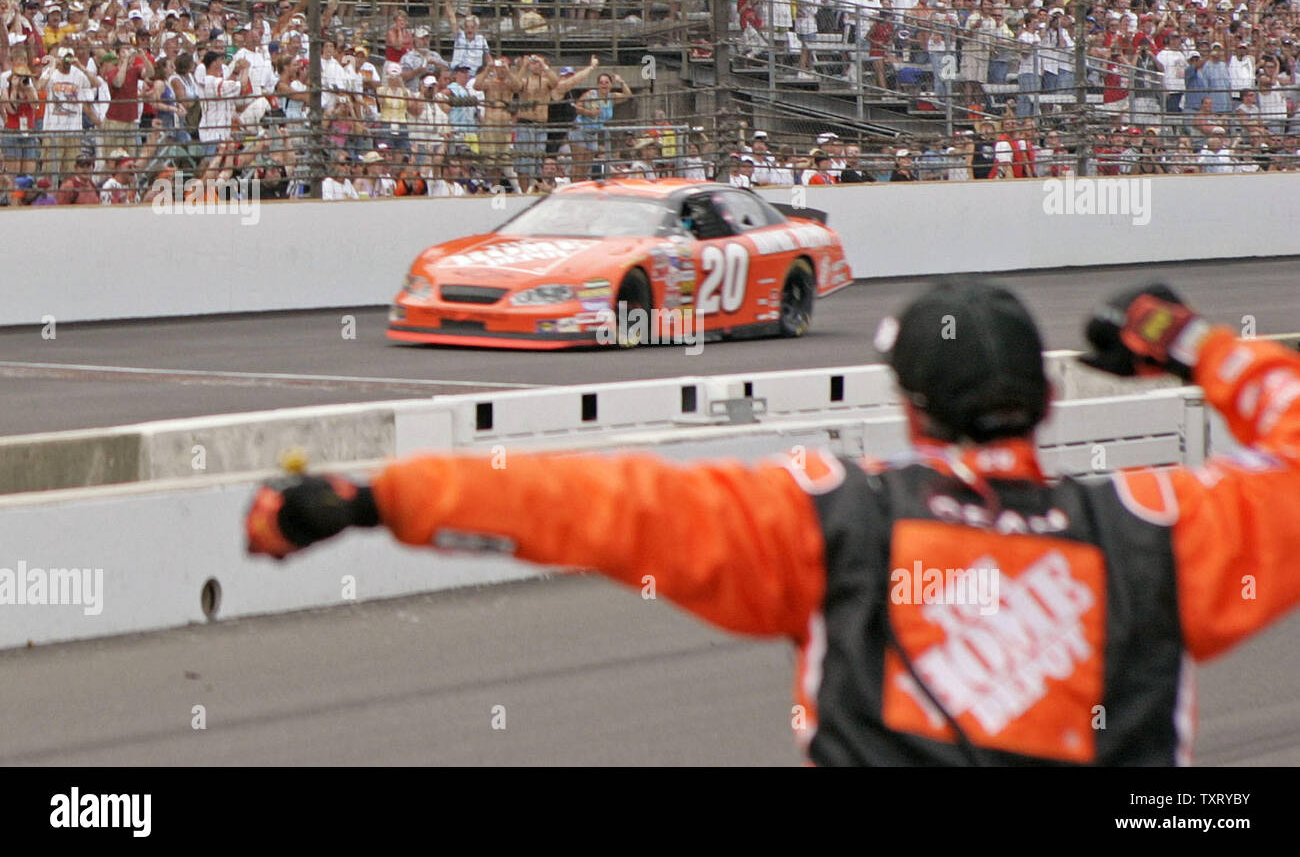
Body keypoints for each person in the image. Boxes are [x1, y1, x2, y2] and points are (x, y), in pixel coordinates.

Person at [247, 279, 1300, 765]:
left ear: (909, 407)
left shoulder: (838, 520)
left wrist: (373, 500)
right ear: (1050, 402)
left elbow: (600, 506)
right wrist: (1192, 342)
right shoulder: (1161, 529)